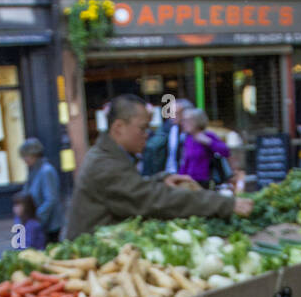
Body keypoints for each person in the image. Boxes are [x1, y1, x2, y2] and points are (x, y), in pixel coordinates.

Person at [65, 95, 252, 239]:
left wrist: (161, 179)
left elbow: (131, 188)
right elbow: (153, 199)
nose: (147, 135)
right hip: (89, 256)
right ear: (118, 128)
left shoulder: (108, 155)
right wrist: (225, 204)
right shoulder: (103, 164)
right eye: (142, 128)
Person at [18, 139, 64, 243]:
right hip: (38, 223)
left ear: (35, 155)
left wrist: (37, 218)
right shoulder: (34, 171)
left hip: (49, 224)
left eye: (26, 156)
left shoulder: (46, 171)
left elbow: (51, 199)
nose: (24, 159)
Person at [180, 108, 232, 188]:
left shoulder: (208, 136)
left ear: (197, 121)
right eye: (184, 120)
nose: (184, 123)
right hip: (191, 181)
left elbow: (226, 151)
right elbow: (186, 162)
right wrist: (180, 177)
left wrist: (209, 142)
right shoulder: (188, 139)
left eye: (188, 120)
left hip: (206, 181)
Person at [140, 97, 193, 177]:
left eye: (176, 113)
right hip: (169, 173)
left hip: (189, 174)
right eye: (170, 112)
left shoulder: (192, 132)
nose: (172, 116)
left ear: (186, 114)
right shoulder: (168, 128)